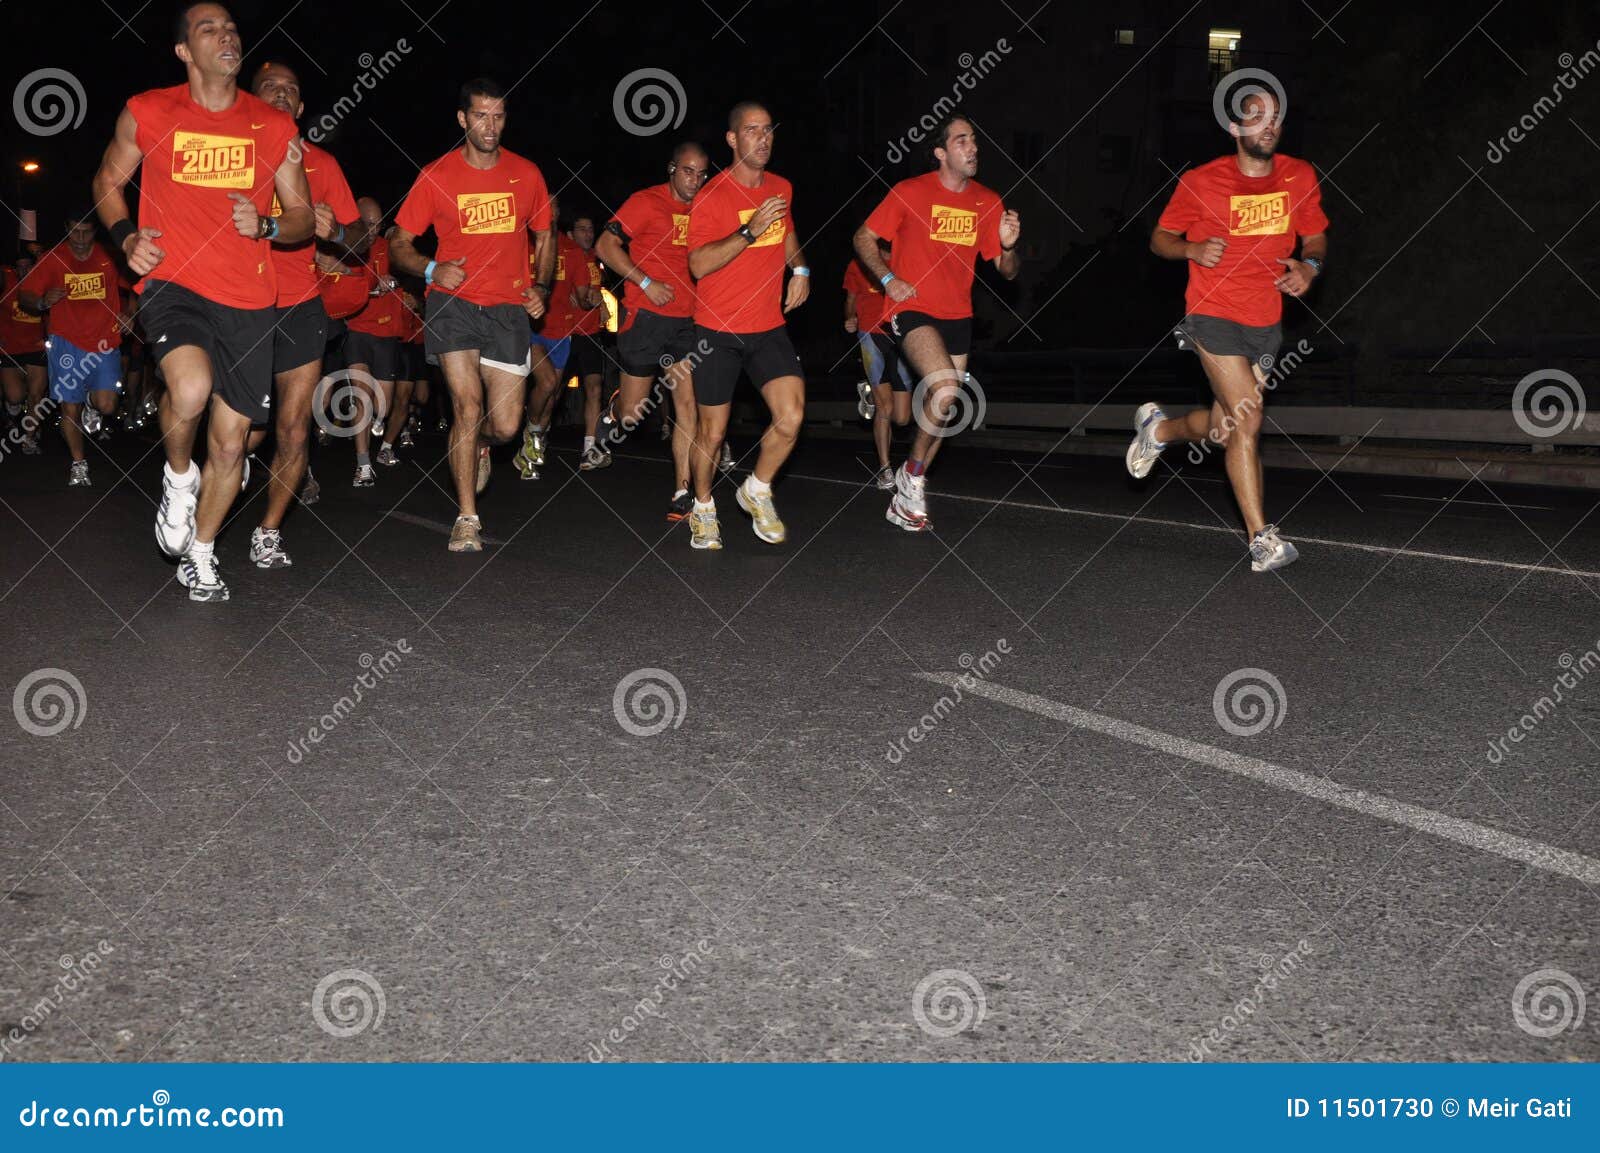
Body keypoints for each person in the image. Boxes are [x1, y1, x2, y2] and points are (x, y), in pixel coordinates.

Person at [92, 1, 312, 602]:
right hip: (175, 283)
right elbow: (108, 181)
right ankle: (178, 479)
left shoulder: (274, 126)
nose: (227, 36)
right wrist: (125, 237)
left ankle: (203, 550)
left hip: (249, 298)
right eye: (209, 30)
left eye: (233, 28)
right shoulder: (149, 110)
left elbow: (301, 218)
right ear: (185, 51)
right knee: (188, 390)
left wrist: (266, 227)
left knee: (233, 442)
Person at [1126, 87, 1327, 573]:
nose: (1268, 125)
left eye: (1275, 116)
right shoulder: (1201, 181)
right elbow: (1159, 238)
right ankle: (1262, 540)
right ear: (1236, 128)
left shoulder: (1298, 175)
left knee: (1224, 429)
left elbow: (1315, 234)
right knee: (1248, 416)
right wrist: (1192, 251)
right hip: (1211, 313)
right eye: (1256, 117)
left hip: (1265, 323)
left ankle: (1161, 430)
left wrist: (1311, 267)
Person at [389, 77, 554, 553]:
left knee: (503, 425)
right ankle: (467, 516)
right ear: (463, 119)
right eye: (480, 115)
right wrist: (433, 268)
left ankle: (478, 442)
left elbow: (545, 234)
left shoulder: (527, 174)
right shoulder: (435, 175)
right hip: (454, 306)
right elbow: (398, 245)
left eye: (498, 116)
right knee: (466, 405)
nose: (490, 125)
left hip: (508, 309)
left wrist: (541, 284)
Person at [852, 113, 1019, 532]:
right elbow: (863, 237)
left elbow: (1007, 270)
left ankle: (911, 476)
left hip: (958, 316)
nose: (973, 148)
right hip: (912, 309)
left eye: (975, 140)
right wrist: (888, 279)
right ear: (941, 152)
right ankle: (910, 478)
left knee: (945, 406)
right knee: (945, 386)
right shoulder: (910, 192)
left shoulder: (988, 200)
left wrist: (1011, 247)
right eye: (962, 140)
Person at [240, 59, 361, 565]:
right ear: (250, 98)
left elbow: (359, 241)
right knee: (246, 431)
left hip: (299, 306)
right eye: (270, 87)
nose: (282, 95)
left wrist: (334, 233)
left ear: (303, 106)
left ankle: (268, 531)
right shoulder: (230, 157)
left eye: (291, 89)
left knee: (293, 428)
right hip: (237, 306)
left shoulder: (323, 165)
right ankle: (228, 464)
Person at [684, 101, 810, 550]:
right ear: (733, 139)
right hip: (717, 331)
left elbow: (787, 229)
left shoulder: (781, 187)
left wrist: (800, 270)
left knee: (792, 416)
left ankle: (756, 488)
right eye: (752, 130)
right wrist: (748, 232)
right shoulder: (712, 197)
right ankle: (702, 508)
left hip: (767, 326)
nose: (763, 138)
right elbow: (697, 264)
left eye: (768, 130)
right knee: (712, 433)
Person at [592, 140, 707, 519]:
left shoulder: (707, 209)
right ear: (671, 169)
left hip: (687, 323)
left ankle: (681, 491)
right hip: (644, 317)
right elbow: (605, 246)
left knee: (686, 406)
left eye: (702, 174)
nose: (694, 181)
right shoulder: (645, 202)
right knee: (632, 415)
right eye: (687, 171)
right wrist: (645, 283)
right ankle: (614, 409)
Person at [18, 215, 125, 485]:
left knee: (107, 405)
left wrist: (131, 313)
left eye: (86, 233)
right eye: (74, 232)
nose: (79, 240)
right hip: (66, 342)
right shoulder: (54, 258)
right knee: (69, 408)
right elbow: (25, 295)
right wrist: (42, 301)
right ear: (67, 229)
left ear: (95, 231)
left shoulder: (110, 257)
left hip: (104, 342)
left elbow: (138, 286)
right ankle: (79, 464)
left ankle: (92, 402)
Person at [843, 246, 912, 489]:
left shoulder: (905, 260)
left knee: (902, 418)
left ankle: (870, 391)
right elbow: (850, 300)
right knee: (885, 408)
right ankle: (885, 469)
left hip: (900, 335)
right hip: (870, 335)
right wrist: (850, 318)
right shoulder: (857, 265)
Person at [344, 197, 400, 486]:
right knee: (361, 397)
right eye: (368, 224)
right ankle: (363, 465)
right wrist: (369, 286)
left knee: (383, 405)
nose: (373, 229)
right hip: (357, 329)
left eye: (378, 223)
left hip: (386, 332)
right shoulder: (349, 248)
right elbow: (345, 285)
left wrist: (395, 277)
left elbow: (408, 264)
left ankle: (379, 422)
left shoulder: (390, 247)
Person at [1, 256, 48, 453]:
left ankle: (29, 438)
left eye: (28, 266)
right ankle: (12, 406)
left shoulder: (43, 284)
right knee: (14, 397)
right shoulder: (6, 281)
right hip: (9, 348)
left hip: (36, 348)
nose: (24, 271)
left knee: (36, 395)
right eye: (19, 267)